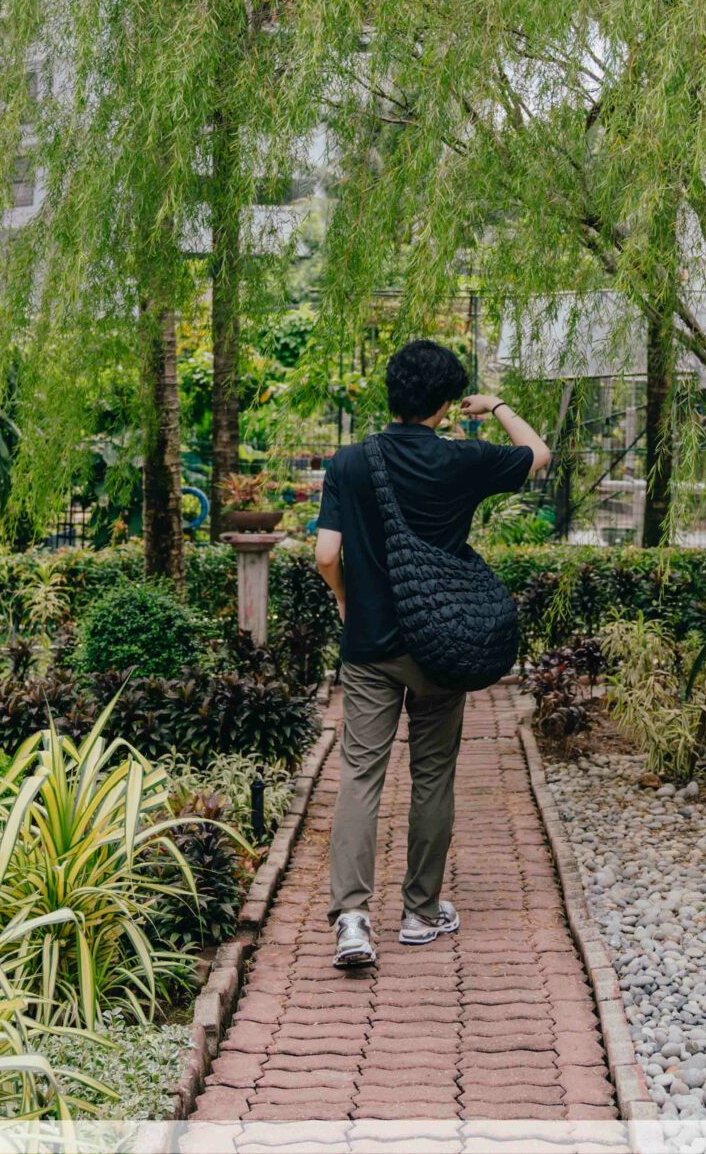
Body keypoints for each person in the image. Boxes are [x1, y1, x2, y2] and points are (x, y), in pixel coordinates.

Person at [313, 339, 550, 969]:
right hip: (441, 644)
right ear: (446, 404)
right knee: (433, 774)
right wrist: (496, 405)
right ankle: (421, 914)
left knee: (361, 774)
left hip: (370, 648)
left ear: (391, 394)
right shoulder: (461, 459)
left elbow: (326, 556)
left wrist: (345, 603)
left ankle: (353, 919)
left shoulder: (350, 463)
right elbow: (538, 455)